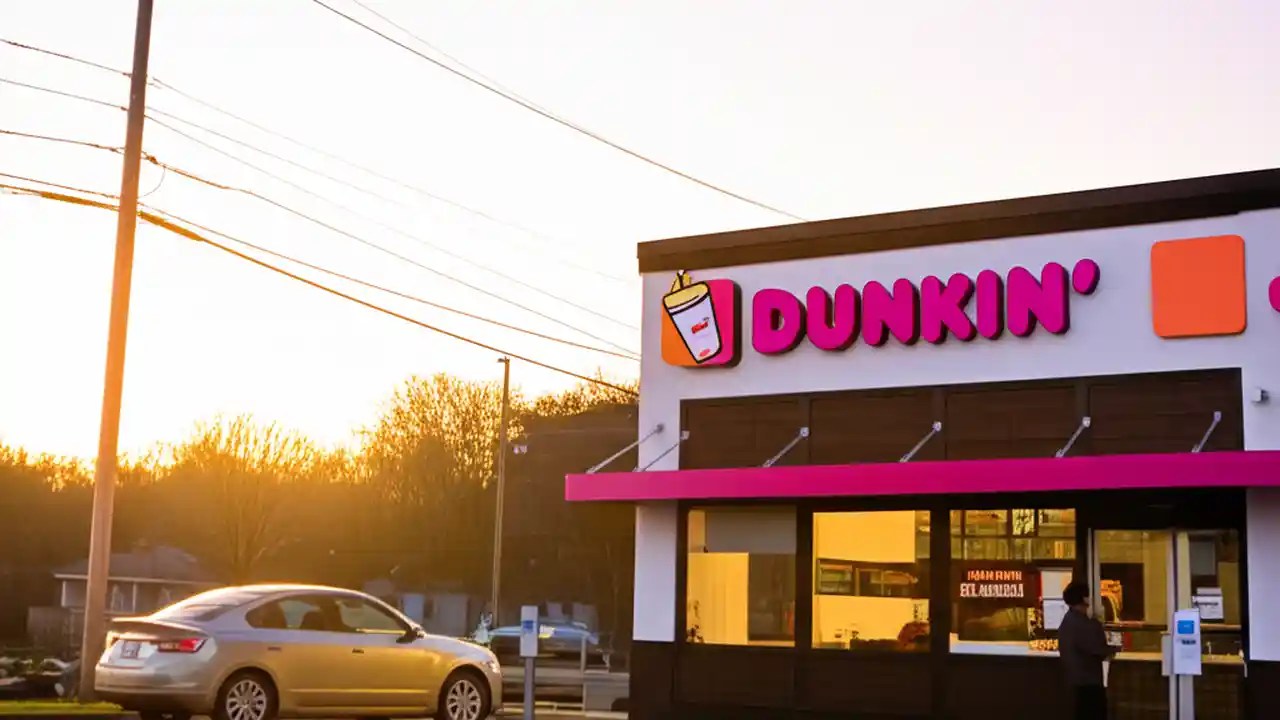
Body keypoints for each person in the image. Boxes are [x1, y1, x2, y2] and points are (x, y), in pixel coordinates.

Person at [1058, 581, 1115, 719]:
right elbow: (1099, 649)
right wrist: (1116, 649)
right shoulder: (1085, 624)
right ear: (1084, 599)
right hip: (1089, 683)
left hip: (1074, 681)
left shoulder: (1067, 621)